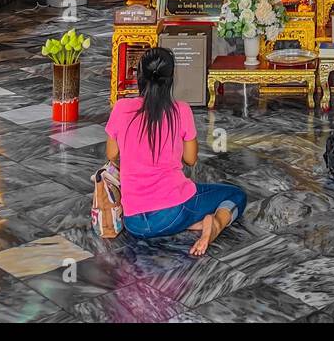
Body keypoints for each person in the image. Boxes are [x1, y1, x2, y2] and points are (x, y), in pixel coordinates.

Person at [104, 46, 246, 255]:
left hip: (134, 223)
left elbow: (111, 154)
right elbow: (190, 159)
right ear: (170, 79)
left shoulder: (121, 108)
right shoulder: (180, 110)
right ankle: (214, 225)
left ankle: (192, 222)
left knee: (186, 203)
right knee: (236, 195)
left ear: (139, 76)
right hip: (174, 212)